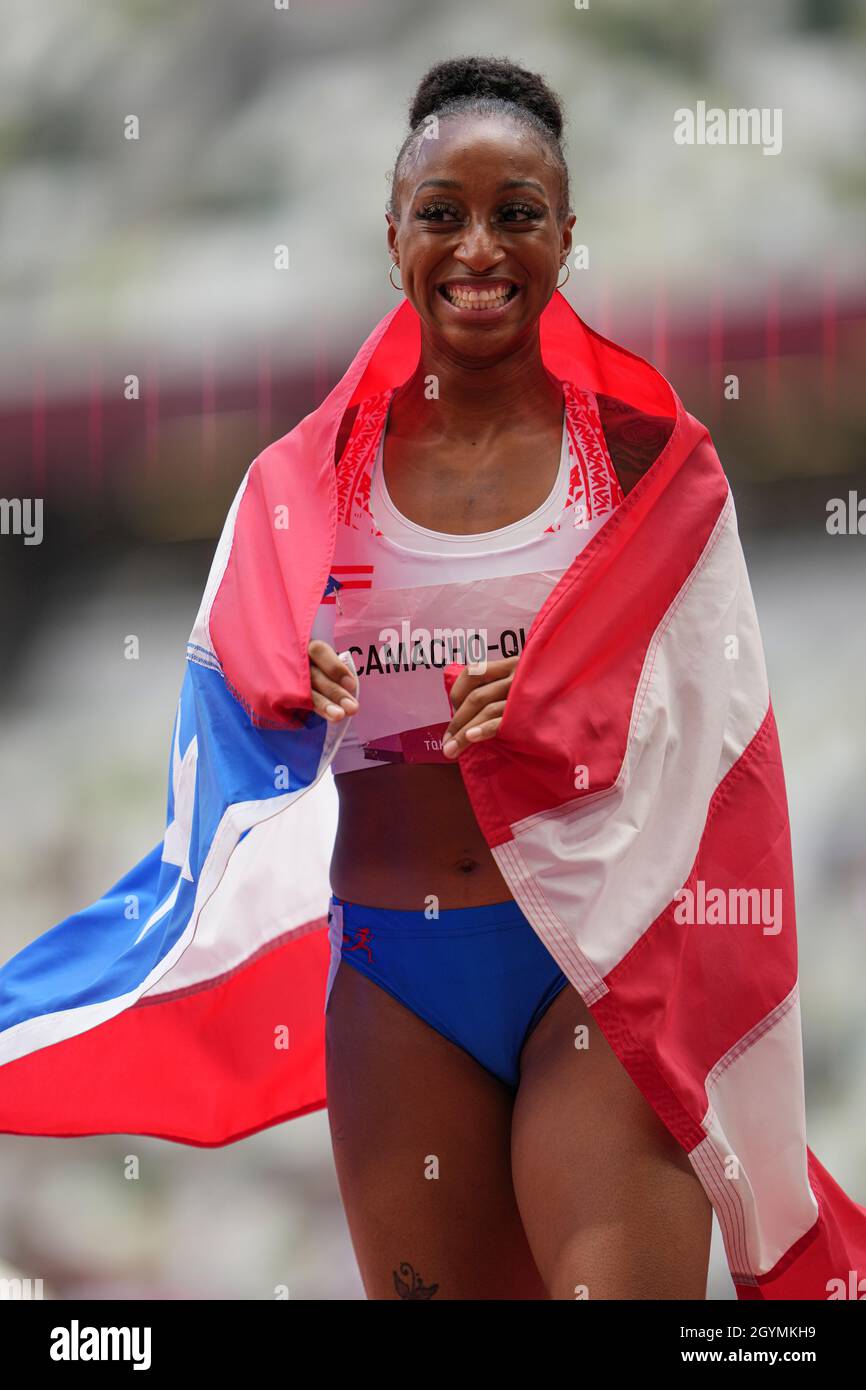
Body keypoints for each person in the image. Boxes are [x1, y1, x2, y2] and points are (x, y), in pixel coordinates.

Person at [308, 55, 712, 1300]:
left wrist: (564, 712)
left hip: (596, 963)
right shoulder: (302, 482)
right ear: (394, 236)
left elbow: (719, 727)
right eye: (441, 211)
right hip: (396, 982)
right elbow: (222, 715)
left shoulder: (647, 456)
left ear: (565, 233)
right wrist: (277, 691)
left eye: (516, 212)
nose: (477, 246)